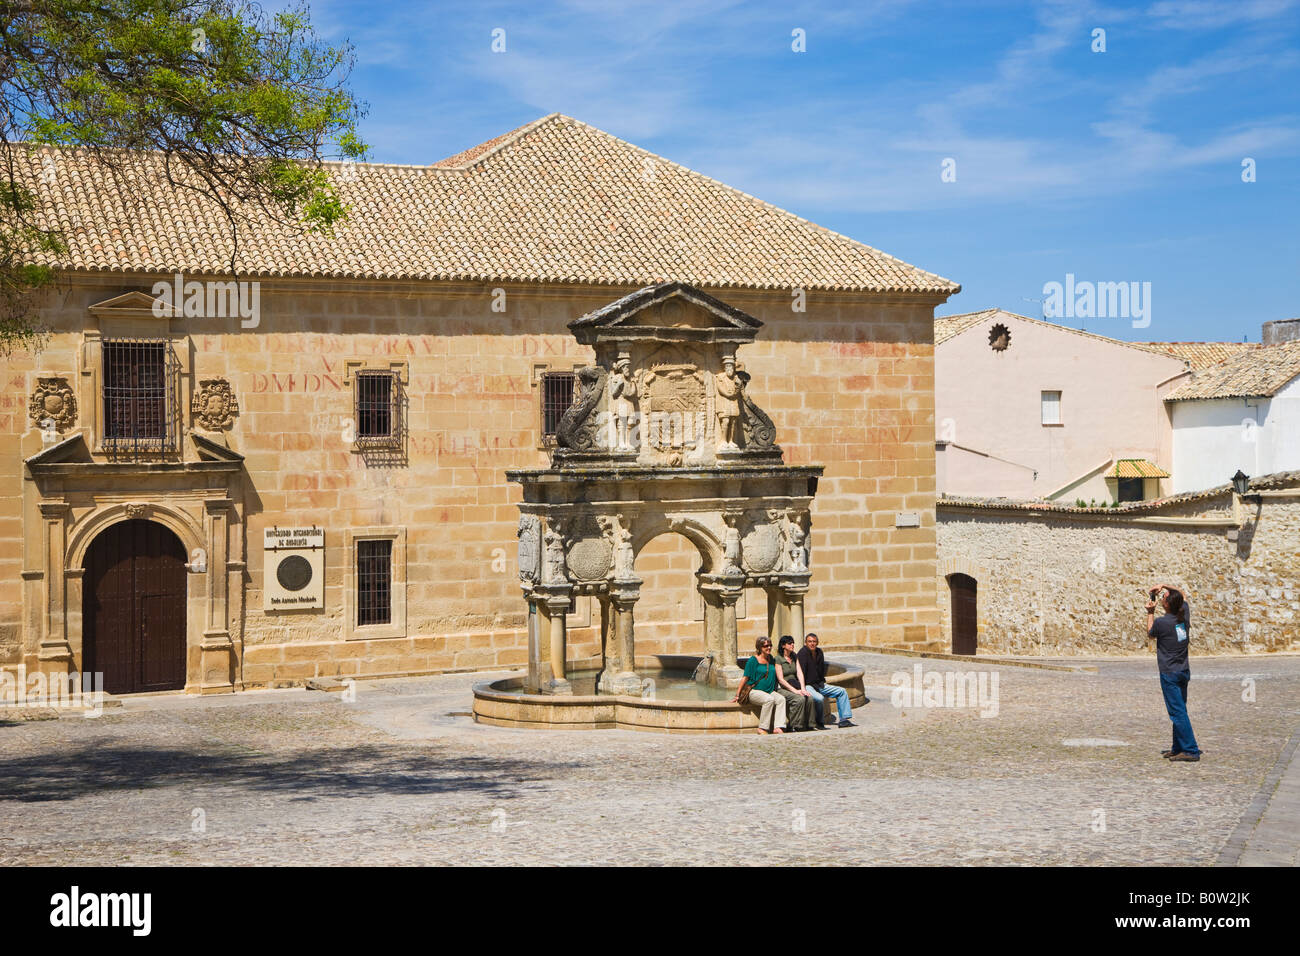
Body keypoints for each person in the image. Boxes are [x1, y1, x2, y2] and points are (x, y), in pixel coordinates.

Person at [1145, 584, 1202, 762]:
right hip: (1183, 670)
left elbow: (1150, 633)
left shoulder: (1163, 623)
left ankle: (1191, 750)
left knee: (1177, 712)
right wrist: (1164, 586)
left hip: (1169, 672)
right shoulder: (1183, 615)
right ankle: (1178, 747)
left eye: (1164, 596)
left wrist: (1150, 612)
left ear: (1168, 604)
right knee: (1180, 710)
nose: (1162, 598)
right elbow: (1183, 594)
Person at [796, 632, 854, 728]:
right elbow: (800, 673)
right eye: (809, 641)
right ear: (805, 643)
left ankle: (844, 719)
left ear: (817, 643)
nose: (812, 643)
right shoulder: (802, 653)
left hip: (819, 684)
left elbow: (821, 671)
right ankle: (819, 722)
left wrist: (822, 684)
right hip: (807, 685)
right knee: (819, 698)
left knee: (841, 691)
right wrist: (803, 688)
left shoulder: (819, 652)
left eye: (814, 641)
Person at [734, 636, 786, 734]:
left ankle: (778, 727)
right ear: (759, 647)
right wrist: (737, 694)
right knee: (769, 700)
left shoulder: (771, 659)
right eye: (766, 646)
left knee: (781, 699)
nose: (769, 647)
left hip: (769, 691)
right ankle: (762, 728)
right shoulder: (753, 660)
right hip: (754, 692)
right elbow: (745, 678)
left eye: (770, 645)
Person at [775, 635, 816, 731]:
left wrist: (803, 689)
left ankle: (810, 724)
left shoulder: (794, 656)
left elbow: (799, 673)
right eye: (789, 643)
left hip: (794, 684)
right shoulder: (778, 659)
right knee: (799, 699)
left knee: (809, 697)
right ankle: (795, 725)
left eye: (793, 643)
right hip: (782, 688)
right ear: (783, 645)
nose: (792, 645)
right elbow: (781, 679)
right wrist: (795, 691)